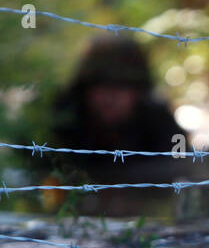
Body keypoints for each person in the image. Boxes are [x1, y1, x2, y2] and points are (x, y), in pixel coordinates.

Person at [39, 35, 187, 217]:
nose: (111, 98)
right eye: (101, 85)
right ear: (84, 90)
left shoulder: (158, 120)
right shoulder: (64, 118)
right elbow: (35, 167)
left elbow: (180, 168)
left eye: (123, 86)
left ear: (139, 91)